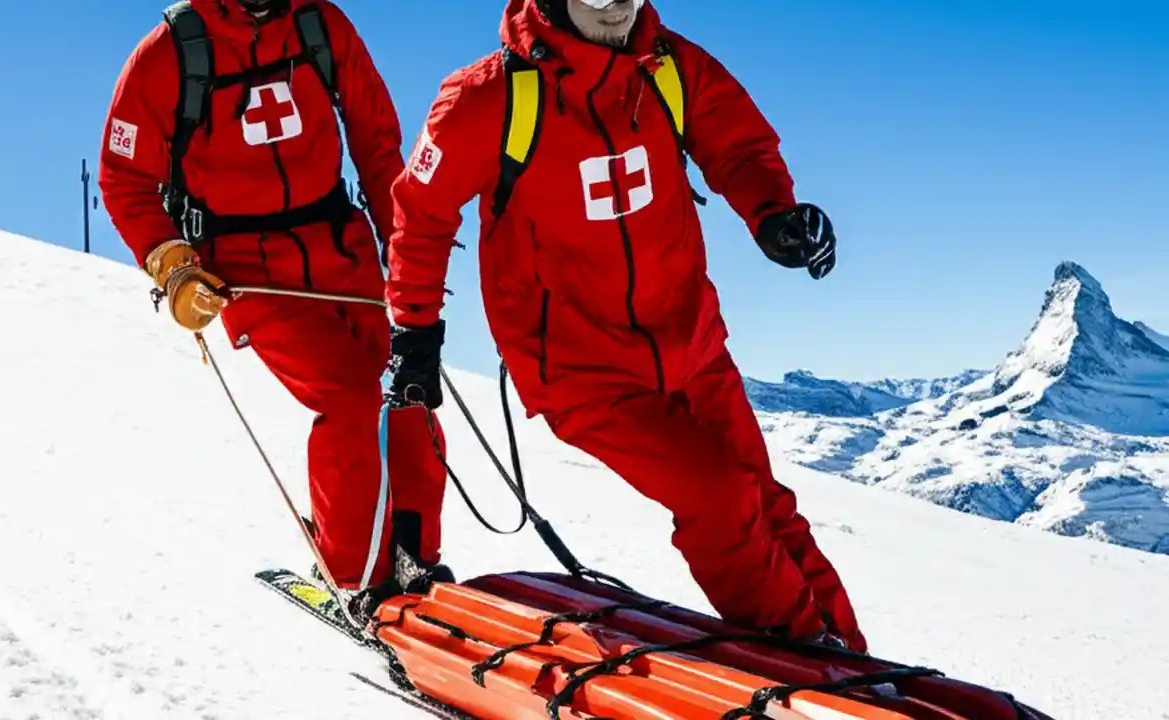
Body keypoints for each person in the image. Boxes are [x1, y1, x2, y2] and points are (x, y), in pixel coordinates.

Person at [386, 0, 866, 650]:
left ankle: (856, 666)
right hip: (582, 372)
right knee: (719, 497)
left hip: (691, 341)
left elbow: (740, 146)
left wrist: (774, 214)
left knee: (764, 501)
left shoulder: (672, 69)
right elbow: (421, 213)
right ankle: (804, 657)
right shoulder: (487, 99)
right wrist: (415, 333)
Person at [98, 0, 451, 621]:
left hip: (343, 250)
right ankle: (351, 577)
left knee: (409, 389)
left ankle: (411, 557)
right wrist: (174, 267)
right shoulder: (171, 51)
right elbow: (123, 177)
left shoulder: (321, 24)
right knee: (347, 396)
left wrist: (405, 244)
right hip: (247, 271)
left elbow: (375, 139)